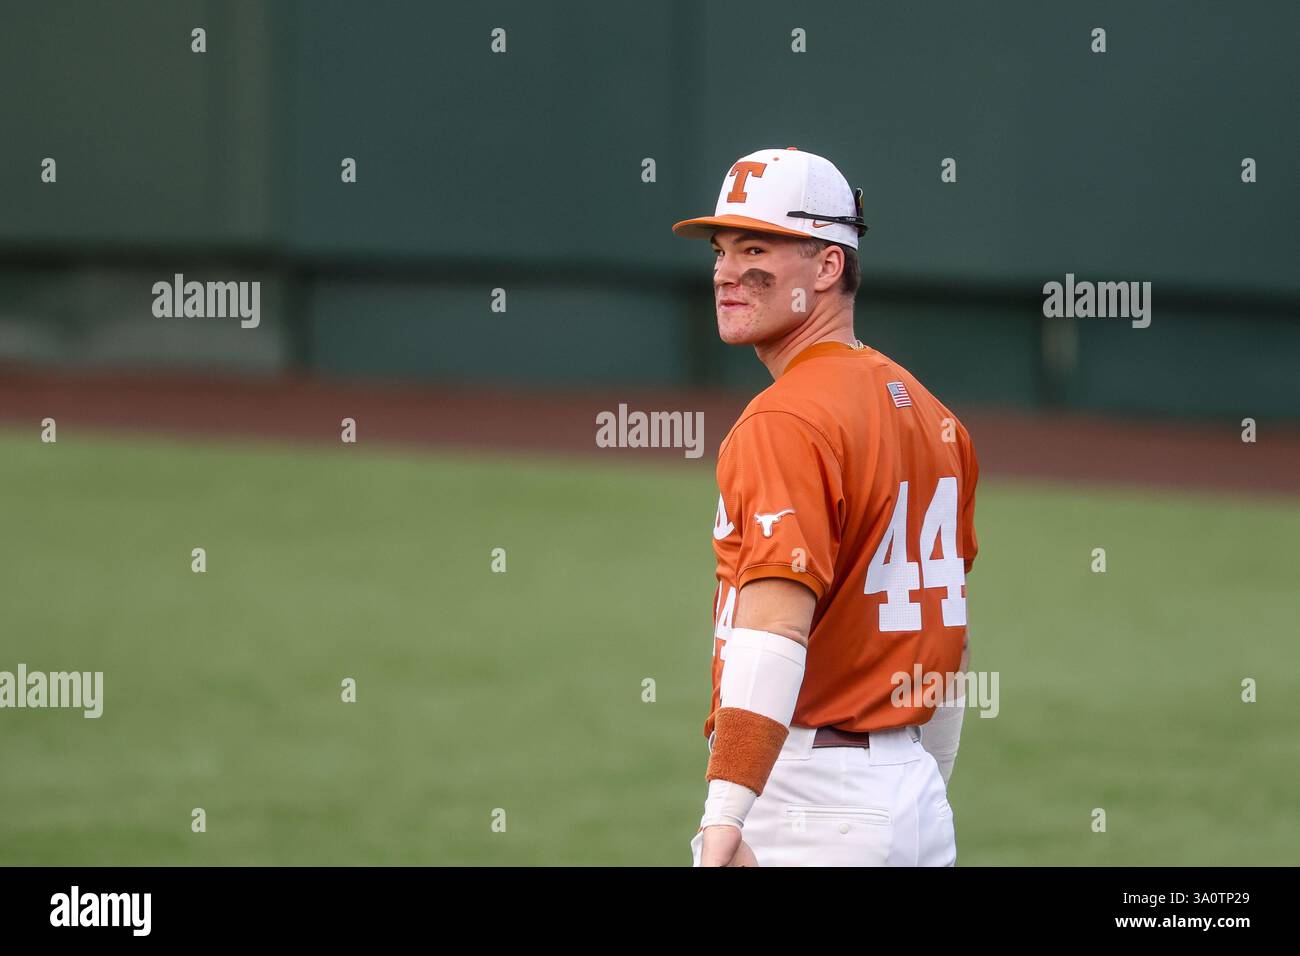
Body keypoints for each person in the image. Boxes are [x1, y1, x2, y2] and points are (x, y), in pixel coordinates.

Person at [671, 147, 979, 866]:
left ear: (829, 266)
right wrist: (920, 784)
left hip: (807, 800)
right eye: (721, 250)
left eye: (756, 248)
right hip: (909, 798)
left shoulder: (785, 419)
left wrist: (725, 816)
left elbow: (773, 628)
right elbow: (949, 642)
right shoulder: (935, 417)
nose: (724, 273)